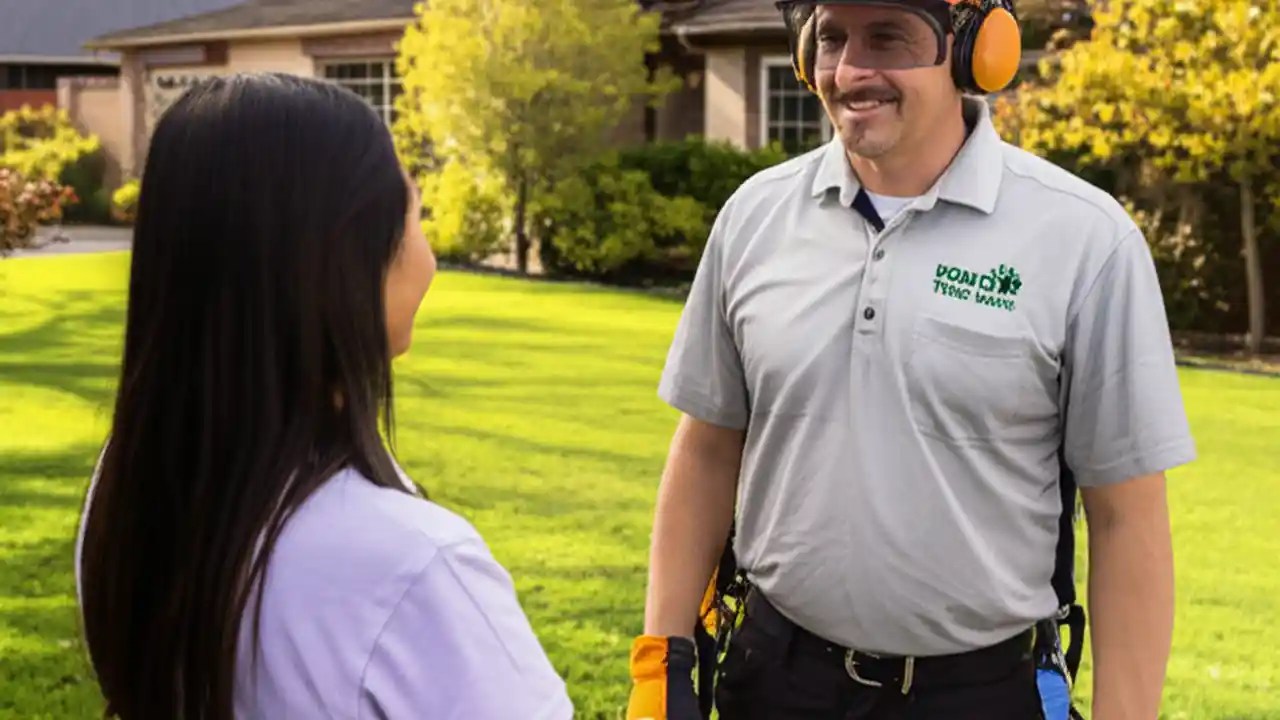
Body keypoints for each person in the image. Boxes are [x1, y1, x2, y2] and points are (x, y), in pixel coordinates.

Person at [627, 1, 1195, 718]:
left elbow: (1126, 520)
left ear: (975, 51)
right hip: (774, 677)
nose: (851, 69)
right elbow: (709, 448)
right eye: (830, 38)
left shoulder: (1085, 240)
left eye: (888, 37)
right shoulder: (753, 217)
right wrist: (662, 665)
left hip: (979, 694)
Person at [74, 73, 573, 720]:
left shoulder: (127, 491)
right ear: (349, 260)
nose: (429, 258)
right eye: (413, 214)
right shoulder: (409, 563)